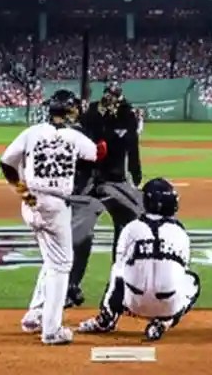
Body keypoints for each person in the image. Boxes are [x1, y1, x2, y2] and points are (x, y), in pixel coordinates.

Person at [0, 89, 106, 346]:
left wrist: (24, 193)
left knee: (52, 259)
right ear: (69, 112)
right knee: (62, 266)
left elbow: (5, 163)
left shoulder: (31, 132)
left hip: (31, 203)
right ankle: (51, 329)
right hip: (55, 206)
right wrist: (97, 124)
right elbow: (99, 153)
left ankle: (35, 314)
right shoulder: (74, 136)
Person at [77, 178, 201, 342]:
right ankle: (163, 323)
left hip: (132, 304)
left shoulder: (131, 228)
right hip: (168, 306)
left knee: (119, 270)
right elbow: (180, 269)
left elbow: (119, 268)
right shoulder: (180, 232)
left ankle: (106, 318)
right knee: (192, 280)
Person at [66, 82, 144, 309]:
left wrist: (135, 174)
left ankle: (119, 288)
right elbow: (82, 143)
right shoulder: (92, 112)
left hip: (117, 181)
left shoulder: (127, 115)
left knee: (126, 234)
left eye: (116, 96)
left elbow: (133, 146)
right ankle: (71, 286)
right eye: (110, 95)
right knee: (80, 236)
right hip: (90, 181)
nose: (112, 99)